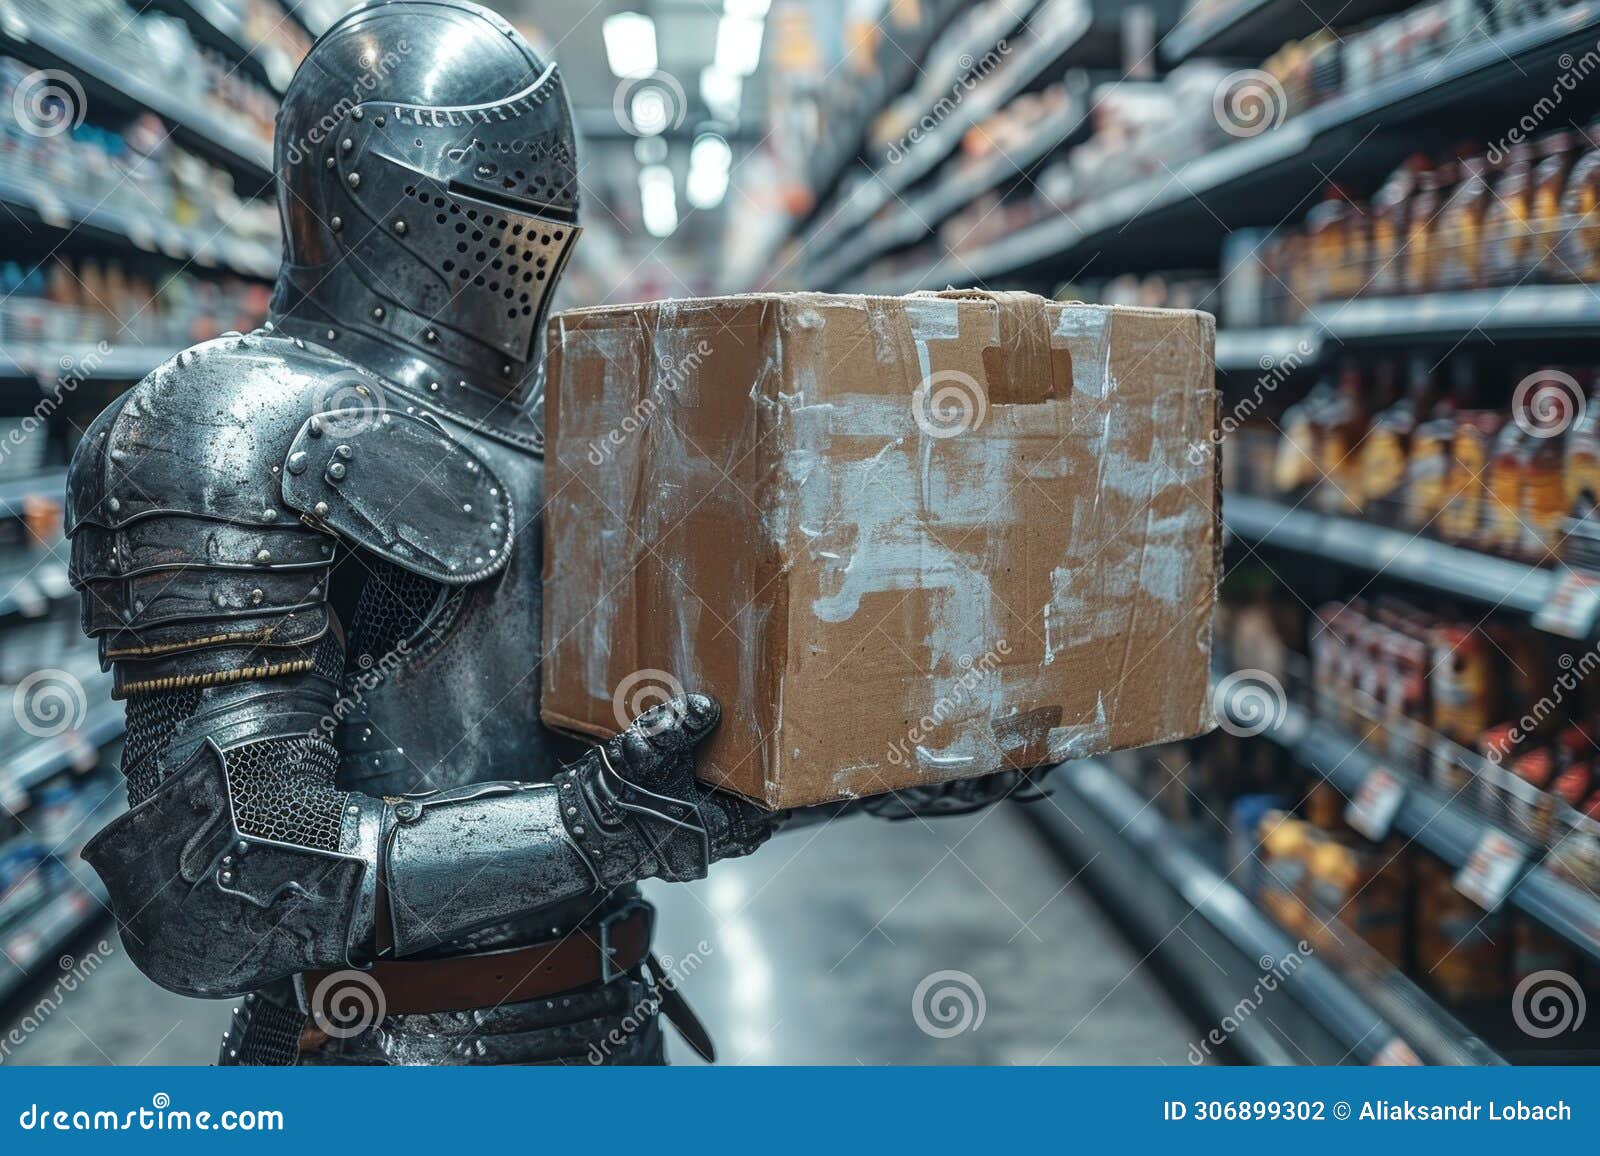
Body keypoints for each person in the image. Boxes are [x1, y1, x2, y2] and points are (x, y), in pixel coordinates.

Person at [65, 0, 1025, 1066]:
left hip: (611, 1025)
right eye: (481, 207)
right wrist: (581, 829)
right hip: (376, 1054)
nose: (515, 241)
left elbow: (665, 764)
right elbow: (221, 887)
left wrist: (890, 753)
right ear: (362, 190)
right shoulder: (231, 425)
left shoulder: (586, 412)